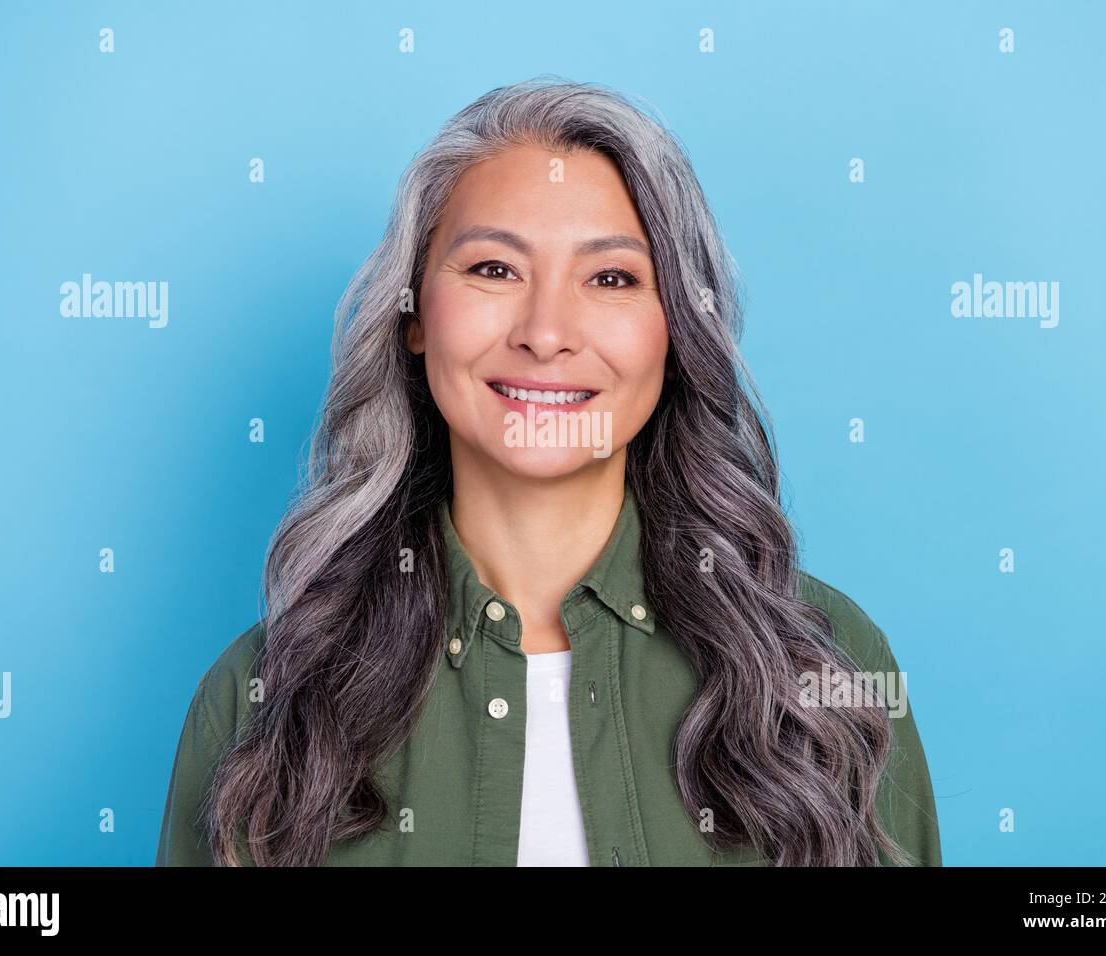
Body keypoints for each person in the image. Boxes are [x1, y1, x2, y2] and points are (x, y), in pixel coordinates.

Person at [156, 76, 941, 867]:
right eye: (494, 269)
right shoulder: (262, 700)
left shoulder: (822, 666)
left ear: (676, 334)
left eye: (611, 278)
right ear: (414, 317)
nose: (546, 332)